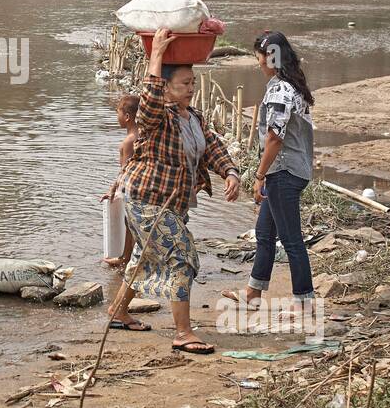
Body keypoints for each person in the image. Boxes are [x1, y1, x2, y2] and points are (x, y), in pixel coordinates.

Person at [106, 28, 241, 354]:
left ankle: (118, 311)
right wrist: (156, 56)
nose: (190, 89)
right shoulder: (156, 118)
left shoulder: (193, 116)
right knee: (181, 257)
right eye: (184, 84)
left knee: (142, 257)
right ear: (165, 86)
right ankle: (183, 333)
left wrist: (231, 172)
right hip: (147, 201)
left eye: (192, 83)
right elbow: (149, 99)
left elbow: (213, 147)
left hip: (171, 204)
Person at [223, 31, 316, 312]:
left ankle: (304, 301)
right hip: (288, 170)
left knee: (291, 239)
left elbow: (275, 137)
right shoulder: (290, 84)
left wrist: (260, 175)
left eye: (260, 58)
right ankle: (253, 294)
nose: (259, 64)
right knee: (264, 233)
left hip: (283, 171)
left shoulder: (280, 90)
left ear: (271, 58)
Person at [101, 94, 139, 269]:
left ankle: (125, 258)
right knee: (133, 222)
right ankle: (131, 256)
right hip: (144, 186)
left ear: (127, 117)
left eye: (117, 113)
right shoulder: (142, 135)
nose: (116, 117)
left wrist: (113, 189)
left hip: (135, 188)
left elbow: (126, 171)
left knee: (130, 221)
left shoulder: (128, 142)